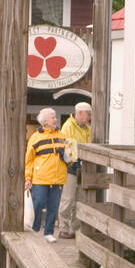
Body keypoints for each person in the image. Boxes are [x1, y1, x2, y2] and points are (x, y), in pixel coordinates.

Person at [25, 107, 69, 242]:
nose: (55, 119)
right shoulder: (35, 137)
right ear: (45, 121)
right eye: (53, 117)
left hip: (58, 179)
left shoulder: (62, 136)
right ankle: (35, 229)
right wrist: (28, 178)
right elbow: (29, 160)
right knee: (38, 203)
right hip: (41, 178)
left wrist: (68, 156)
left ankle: (48, 232)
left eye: (55, 117)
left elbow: (70, 157)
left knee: (53, 206)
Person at [58, 102, 93, 238]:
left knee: (80, 199)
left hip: (83, 166)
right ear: (79, 113)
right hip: (70, 167)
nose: (89, 117)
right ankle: (64, 228)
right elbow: (68, 151)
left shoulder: (87, 129)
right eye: (87, 114)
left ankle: (75, 229)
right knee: (68, 198)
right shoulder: (68, 127)